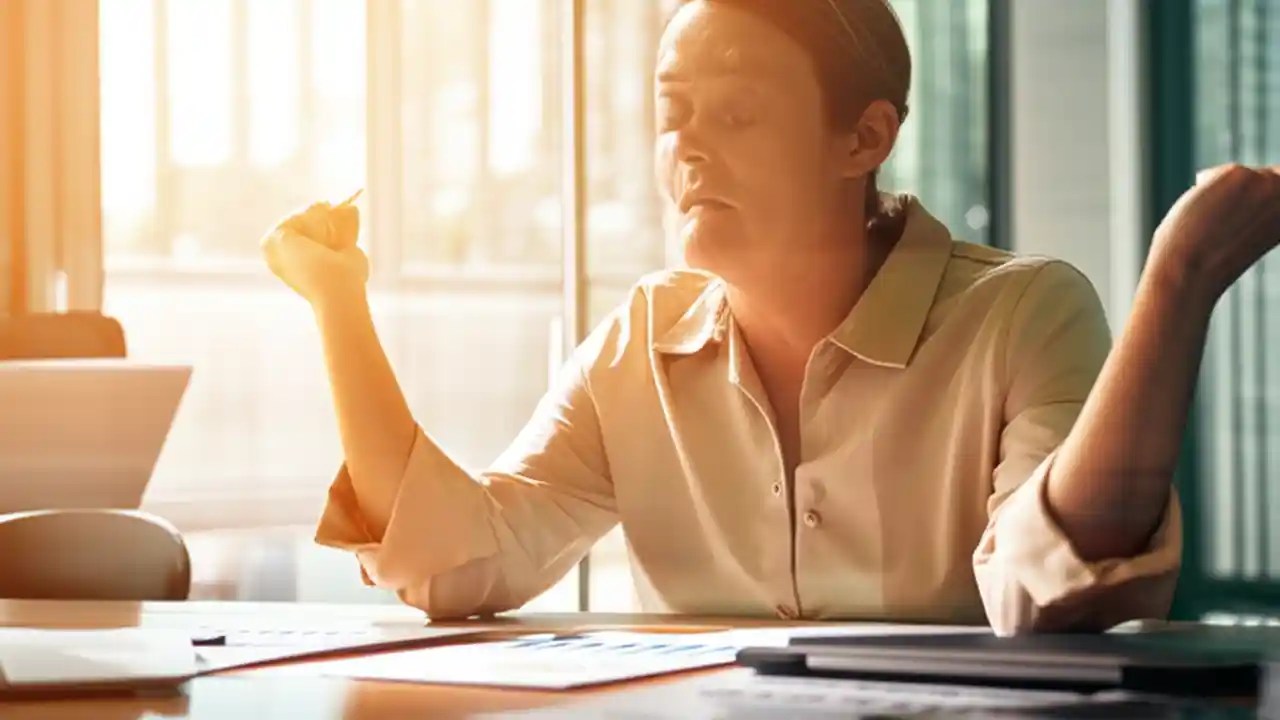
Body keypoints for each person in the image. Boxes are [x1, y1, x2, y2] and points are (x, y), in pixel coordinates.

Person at [261, 0, 1280, 634]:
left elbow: (1045, 593)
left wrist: (1177, 278)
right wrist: (338, 300)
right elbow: (457, 561)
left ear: (862, 137)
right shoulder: (638, 344)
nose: (687, 150)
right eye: (672, 114)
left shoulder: (1021, 313)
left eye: (736, 113)